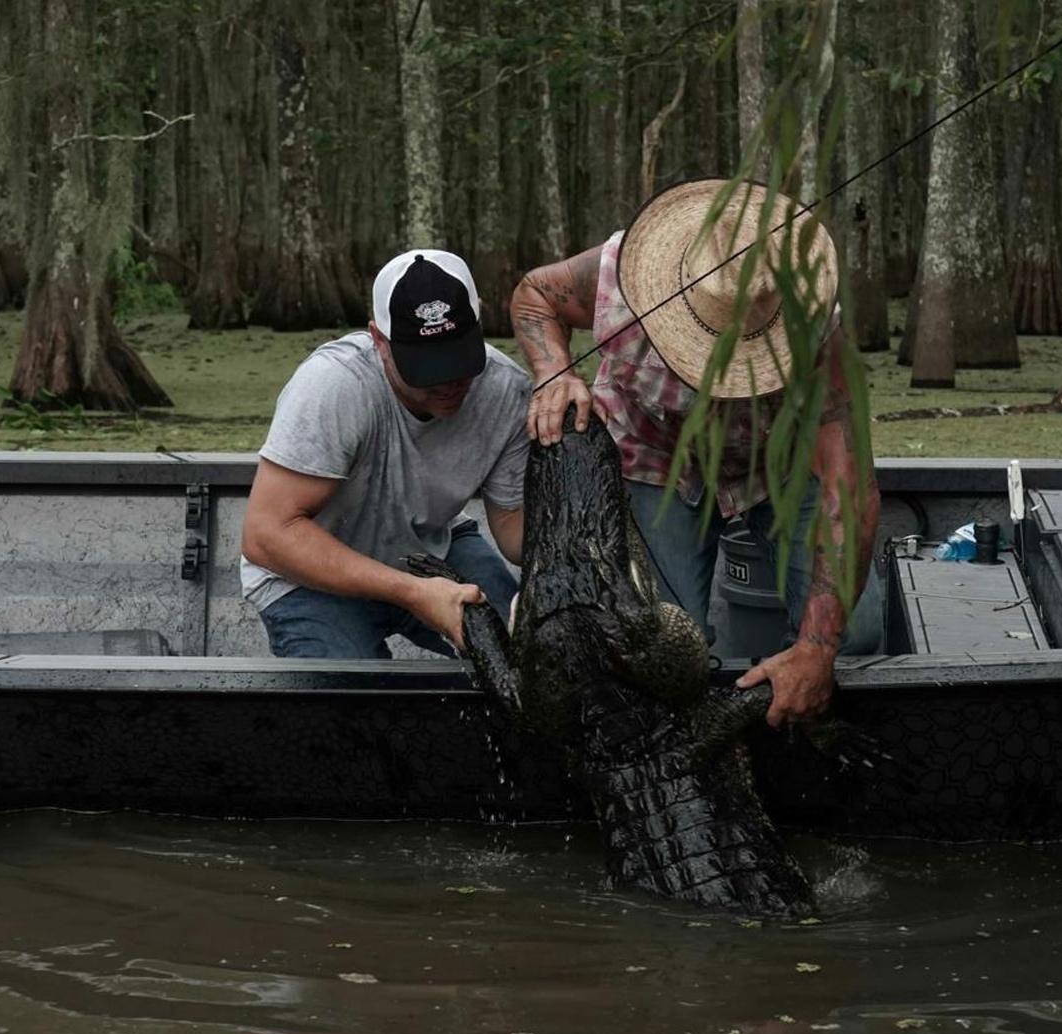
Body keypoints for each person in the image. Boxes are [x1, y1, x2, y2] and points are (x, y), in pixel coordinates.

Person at [509, 178, 881, 727]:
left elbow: (848, 488)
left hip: (776, 459)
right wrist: (552, 372)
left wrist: (817, 649)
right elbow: (533, 295)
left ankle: (796, 717)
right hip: (654, 458)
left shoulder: (815, 323)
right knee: (660, 652)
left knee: (857, 634)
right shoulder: (616, 277)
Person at [240, 250, 530, 658]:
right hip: (306, 574)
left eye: (457, 356)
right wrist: (414, 592)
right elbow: (266, 535)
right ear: (378, 339)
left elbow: (515, 534)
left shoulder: (507, 391)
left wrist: (550, 576)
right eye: (429, 366)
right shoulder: (334, 385)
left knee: (529, 656)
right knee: (357, 707)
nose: (449, 380)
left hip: (433, 545)